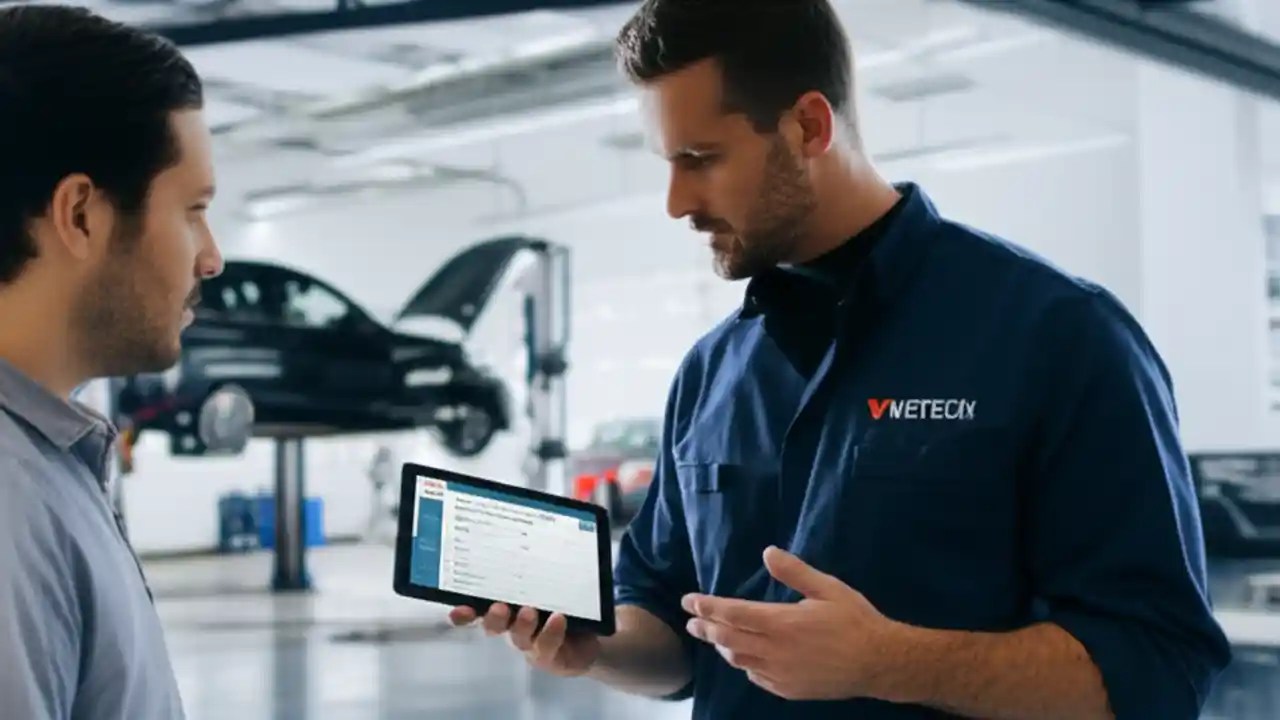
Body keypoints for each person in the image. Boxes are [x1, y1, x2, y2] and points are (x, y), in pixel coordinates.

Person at [450, 1, 1232, 718]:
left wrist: (889, 661)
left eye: (701, 157)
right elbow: (675, 632)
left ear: (808, 128)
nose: (676, 203)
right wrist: (596, 648)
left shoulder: (1060, 335)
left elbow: (1157, 668)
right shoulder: (711, 371)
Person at [0, 5, 223, 718]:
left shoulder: (49, 460)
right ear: (82, 216)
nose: (211, 256)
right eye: (191, 210)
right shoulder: (11, 504)